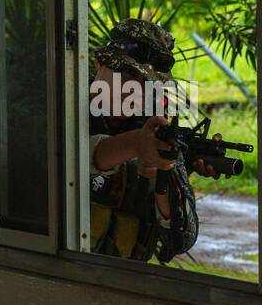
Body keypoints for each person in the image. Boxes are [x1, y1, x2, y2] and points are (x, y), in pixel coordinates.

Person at [88, 18, 219, 264]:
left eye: (150, 83)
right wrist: (136, 144)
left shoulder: (153, 130)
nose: (137, 90)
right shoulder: (68, 105)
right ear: (98, 62)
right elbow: (76, 158)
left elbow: (181, 238)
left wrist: (163, 175)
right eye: (127, 74)